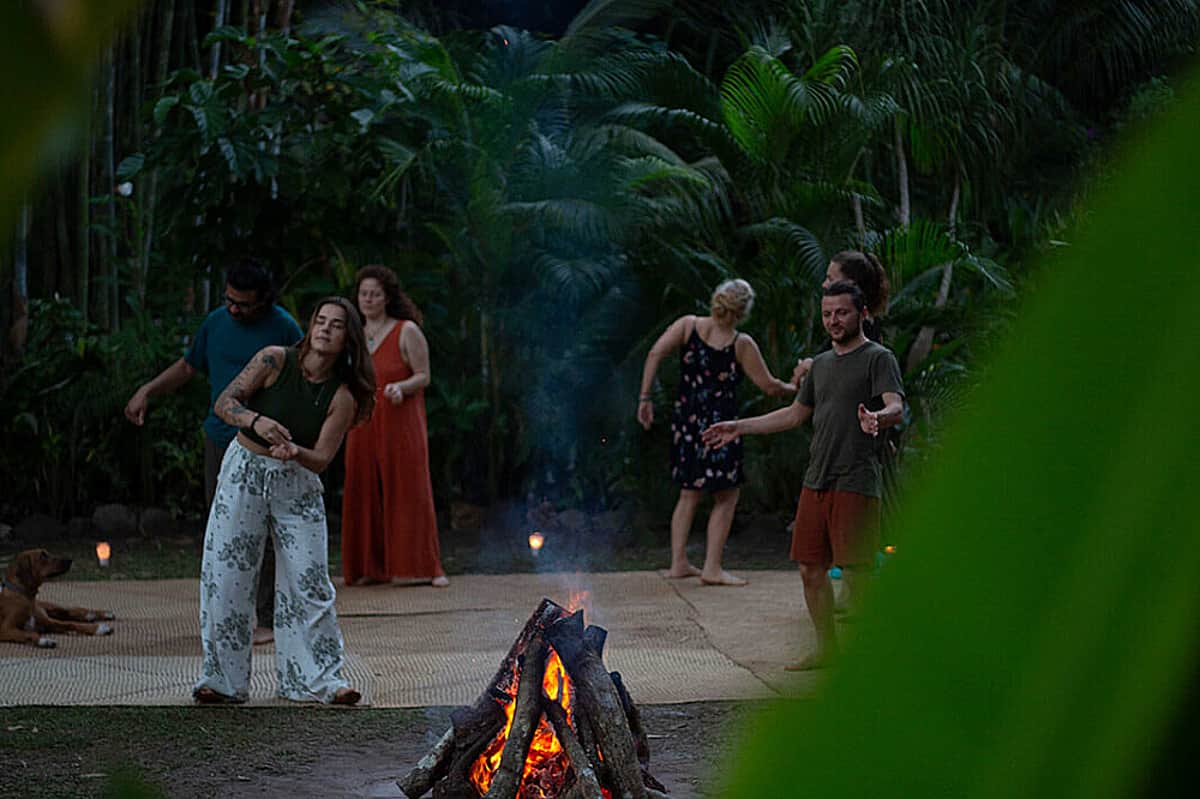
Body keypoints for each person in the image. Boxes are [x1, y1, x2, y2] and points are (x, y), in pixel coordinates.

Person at [702, 281, 904, 670]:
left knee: (857, 572)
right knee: (810, 567)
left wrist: (878, 418)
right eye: (827, 314)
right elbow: (794, 415)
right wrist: (739, 427)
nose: (833, 320)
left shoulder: (878, 358)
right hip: (817, 479)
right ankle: (827, 649)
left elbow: (895, 406)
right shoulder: (821, 365)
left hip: (856, 479)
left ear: (862, 314)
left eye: (841, 312)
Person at [192, 296, 374, 705]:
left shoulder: (342, 396)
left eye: (337, 324)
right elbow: (224, 403)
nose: (325, 329)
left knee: (309, 580)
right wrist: (256, 421)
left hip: (297, 481)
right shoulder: (274, 359)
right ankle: (223, 681)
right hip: (245, 471)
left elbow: (322, 458)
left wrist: (295, 452)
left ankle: (318, 679)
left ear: (348, 338)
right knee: (227, 573)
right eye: (320, 320)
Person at [124, 259, 301, 646]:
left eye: (243, 304)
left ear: (263, 300)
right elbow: (188, 367)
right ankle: (227, 614)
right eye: (229, 300)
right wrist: (147, 390)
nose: (233, 309)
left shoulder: (284, 327)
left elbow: (305, 378)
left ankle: (268, 617)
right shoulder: (216, 322)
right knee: (223, 528)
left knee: (266, 531)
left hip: (267, 444)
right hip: (220, 439)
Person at [638, 279, 796, 587]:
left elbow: (655, 353)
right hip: (721, 427)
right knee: (726, 495)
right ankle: (711, 567)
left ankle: (678, 562)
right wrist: (795, 387)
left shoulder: (688, 326)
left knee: (688, 493)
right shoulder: (740, 343)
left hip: (686, 423)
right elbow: (769, 386)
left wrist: (645, 398)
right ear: (743, 311)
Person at [340, 265, 448, 588]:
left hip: (400, 418)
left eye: (375, 294)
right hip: (363, 420)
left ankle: (426, 567)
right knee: (362, 486)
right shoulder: (354, 335)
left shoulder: (406, 330)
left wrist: (402, 387)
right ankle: (370, 567)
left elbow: (423, 375)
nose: (368, 299)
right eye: (363, 293)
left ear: (387, 297)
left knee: (408, 486)